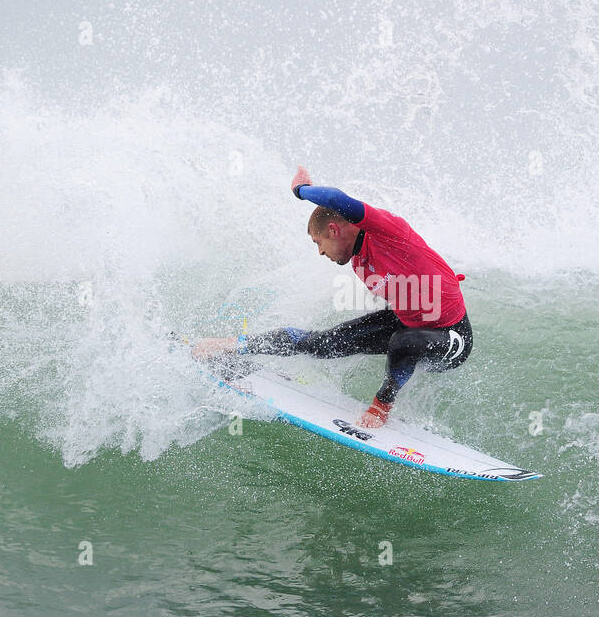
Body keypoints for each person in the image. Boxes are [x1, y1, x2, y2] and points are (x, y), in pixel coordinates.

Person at [193, 167, 472, 428]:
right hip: (410, 323)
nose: (320, 252)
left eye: (319, 243)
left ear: (334, 230)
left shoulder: (390, 233)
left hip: (450, 334)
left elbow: (336, 199)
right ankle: (236, 346)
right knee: (320, 343)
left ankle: (381, 407)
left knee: (405, 341)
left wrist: (301, 190)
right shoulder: (359, 261)